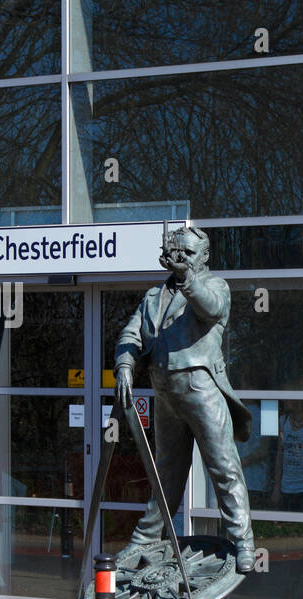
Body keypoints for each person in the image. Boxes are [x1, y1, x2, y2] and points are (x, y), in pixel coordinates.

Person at [114, 226, 256, 573]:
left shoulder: (213, 286)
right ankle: (146, 538)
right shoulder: (152, 297)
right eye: (175, 253)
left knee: (223, 467)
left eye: (188, 254)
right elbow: (130, 333)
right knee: (166, 473)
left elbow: (210, 309)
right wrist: (125, 363)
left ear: (203, 257)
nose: (180, 260)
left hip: (200, 388)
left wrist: (187, 279)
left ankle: (244, 543)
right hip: (164, 393)